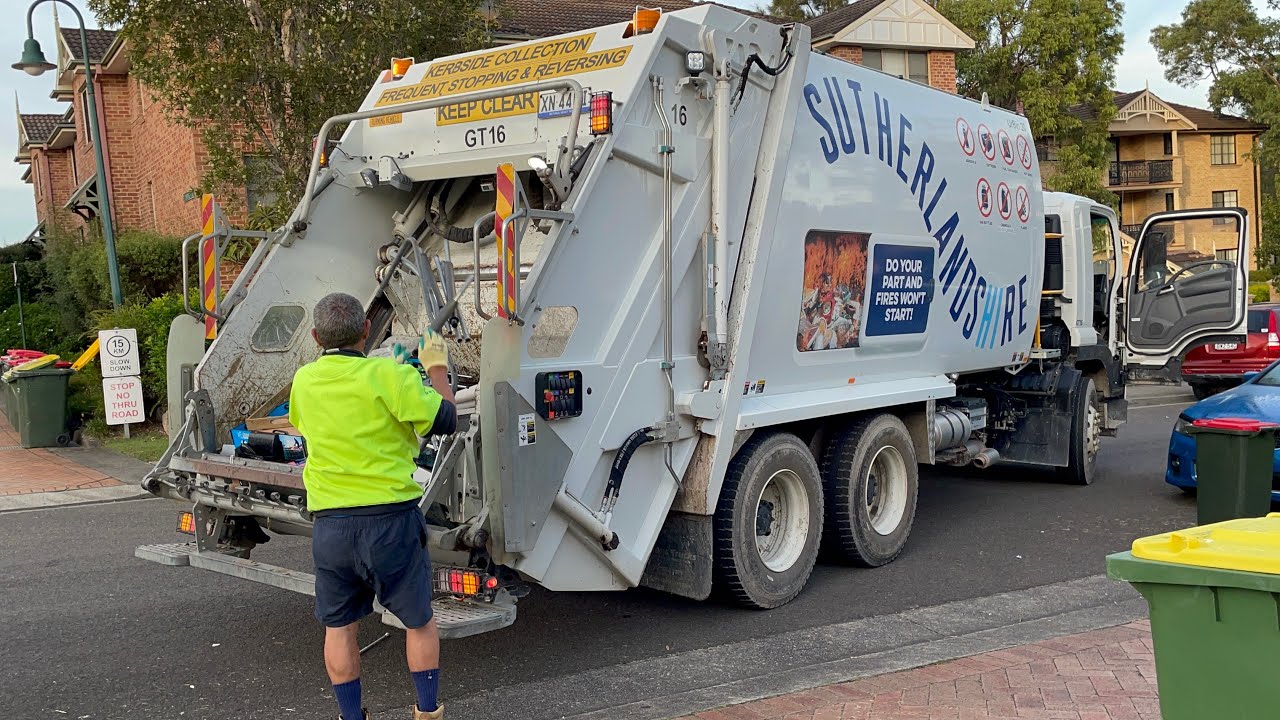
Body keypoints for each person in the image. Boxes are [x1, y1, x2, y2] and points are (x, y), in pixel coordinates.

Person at [289, 292, 457, 720]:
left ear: (314, 336)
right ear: (367, 330)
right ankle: (427, 712)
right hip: (391, 523)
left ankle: (351, 716)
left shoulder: (305, 381)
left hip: (332, 526)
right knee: (418, 621)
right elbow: (446, 418)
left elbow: (315, 422)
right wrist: (435, 367)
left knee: (339, 626)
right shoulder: (390, 377)